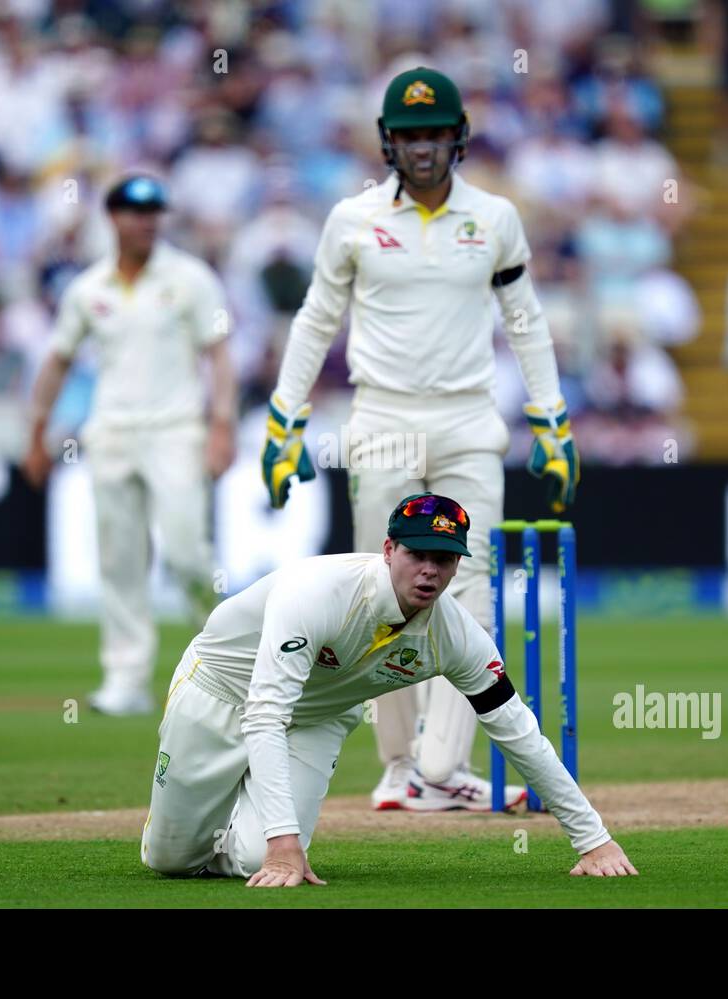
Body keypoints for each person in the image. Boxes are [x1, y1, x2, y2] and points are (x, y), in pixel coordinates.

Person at [260, 67, 580, 812]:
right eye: (409, 136)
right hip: (383, 417)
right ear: (388, 142)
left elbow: (525, 320)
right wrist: (284, 419)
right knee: (382, 587)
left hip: (468, 419)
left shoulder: (494, 218)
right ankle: (400, 764)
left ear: (458, 136)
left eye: (434, 133)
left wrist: (552, 417)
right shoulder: (352, 219)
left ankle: (441, 766)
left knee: (472, 580)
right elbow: (315, 318)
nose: (423, 147)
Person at [140, 493, 637, 886]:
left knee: (258, 859)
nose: (430, 571)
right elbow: (265, 713)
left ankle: (243, 829)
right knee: (170, 861)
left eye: (444, 559)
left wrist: (594, 841)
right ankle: (209, 826)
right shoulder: (315, 591)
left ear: (458, 565)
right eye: (417, 555)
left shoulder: (457, 636)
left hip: (317, 719)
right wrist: (284, 842)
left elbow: (518, 731)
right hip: (221, 694)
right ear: (388, 551)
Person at [22, 172, 237, 716]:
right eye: (135, 213)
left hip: (175, 432)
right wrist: (37, 432)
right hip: (111, 433)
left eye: (153, 213)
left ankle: (224, 663)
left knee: (187, 553)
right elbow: (57, 360)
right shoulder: (87, 288)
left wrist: (222, 426)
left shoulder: (190, 278)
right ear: (113, 218)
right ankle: (126, 680)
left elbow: (218, 354)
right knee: (120, 559)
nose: (145, 222)